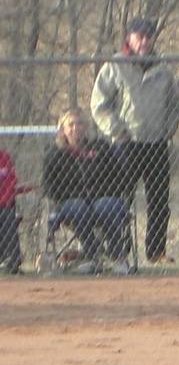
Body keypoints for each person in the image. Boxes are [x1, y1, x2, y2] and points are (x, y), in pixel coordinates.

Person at [90, 16, 179, 264]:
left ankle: (155, 252)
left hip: (156, 143)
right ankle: (117, 250)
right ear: (129, 38)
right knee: (121, 199)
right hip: (125, 145)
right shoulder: (116, 66)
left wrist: (168, 128)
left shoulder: (163, 69)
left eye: (148, 36)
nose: (144, 41)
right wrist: (117, 130)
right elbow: (99, 105)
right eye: (139, 36)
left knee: (159, 200)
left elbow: (176, 105)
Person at [42, 108, 133, 275]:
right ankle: (91, 258)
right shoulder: (54, 153)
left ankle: (117, 258)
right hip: (71, 203)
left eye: (80, 123)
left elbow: (121, 178)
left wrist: (101, 192)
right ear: (63, 129)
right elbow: (48, 186)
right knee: (78, 207)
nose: (76, 128)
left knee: (106, 205)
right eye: (71, 124)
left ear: (86, 127)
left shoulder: (101, 147)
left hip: (102, 198)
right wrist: (73, 195)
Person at [1, 146, 35, 274]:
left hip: (3, 203)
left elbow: (11, 181)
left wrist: (4, 201)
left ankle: (11, 261)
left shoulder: (3, 156)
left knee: (7, 214)